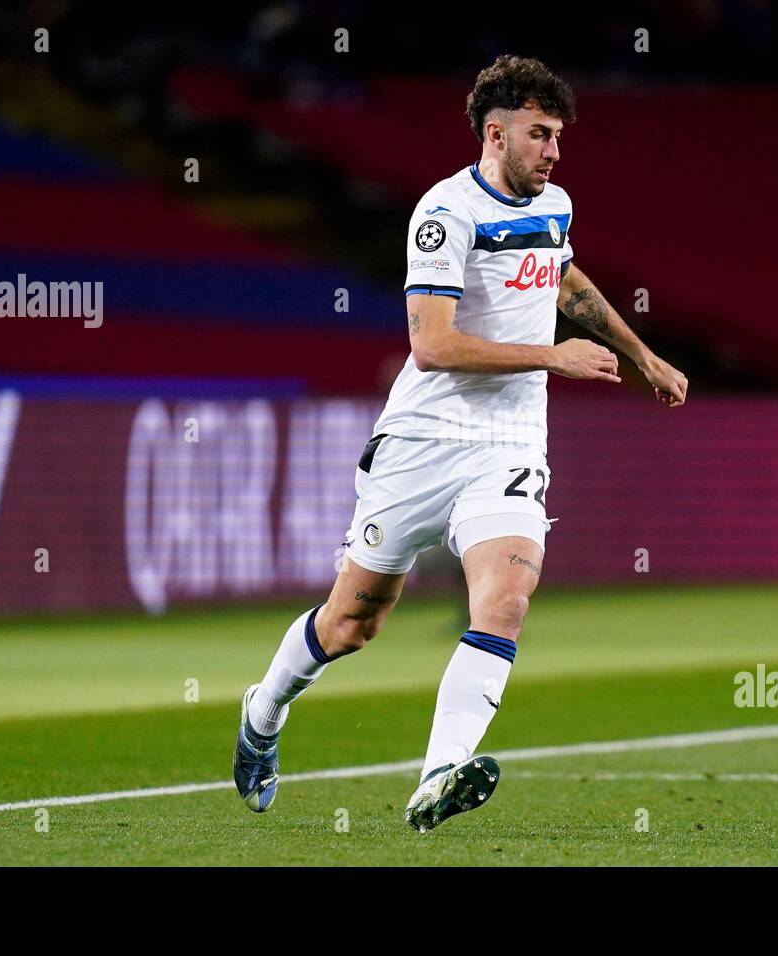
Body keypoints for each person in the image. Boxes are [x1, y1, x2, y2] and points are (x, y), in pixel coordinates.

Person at [233, 54, 688, 831]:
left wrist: (642, 354)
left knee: (506, 599)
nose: (553, 152)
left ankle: (437, 773)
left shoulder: (555, 203)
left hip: (508, 442)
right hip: (421, 440)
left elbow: (564, 280)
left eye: (558, 138)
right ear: (495, 132)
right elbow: (433, 346)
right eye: (540, 136)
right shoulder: (445, 214)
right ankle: (263, 712)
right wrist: (554, 354)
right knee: (353, 624)